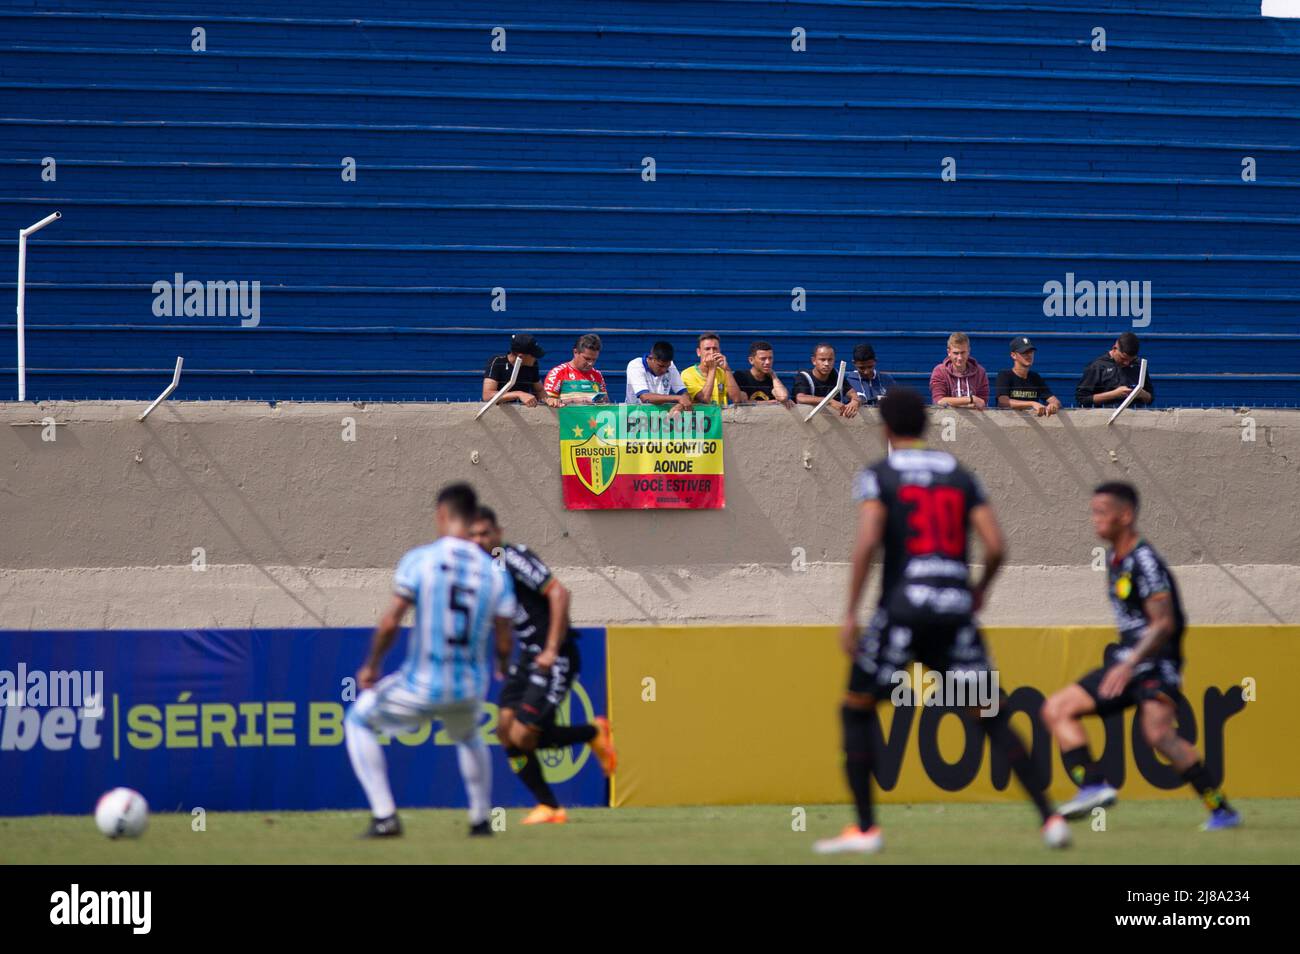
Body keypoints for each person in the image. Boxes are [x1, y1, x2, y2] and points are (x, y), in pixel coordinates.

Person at [814, 388, 1069, 854]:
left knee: (856, 708)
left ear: (885, 428)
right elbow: (995, 546)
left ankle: (867, 830)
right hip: (954, 611)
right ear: (927, 426)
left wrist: (851, 612)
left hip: (903, 608)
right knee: (991, 715)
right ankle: (1051, 818)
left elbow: (869, 540)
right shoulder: (960, 474)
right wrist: (976, 595)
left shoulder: (881, 474)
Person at [1040, 483, 1240, 831]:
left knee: (1160, 736)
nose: (1094, 520)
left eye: (1101, 512)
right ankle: (1092, 784)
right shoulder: (1116, 560)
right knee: (1056, 709)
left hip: (1156, 665)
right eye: (1093, 512)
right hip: (1129, 662)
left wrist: (1130, 664)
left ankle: (1220, 809)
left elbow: (1164, 623)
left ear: (1125, 515)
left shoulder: (1143, 560)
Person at [344, 483, 516, 838]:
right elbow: (503, 634)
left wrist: (372, 665)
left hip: (421, 680)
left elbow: (391, 620)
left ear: (442, 515)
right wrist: (501, 664)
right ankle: (480, 820)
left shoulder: (421, 560)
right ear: (471, 520)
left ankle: (385, 816)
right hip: (469, 684)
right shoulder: (494, 572)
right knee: (468, 735)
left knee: (359, 720)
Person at [469, 507, 617, 825]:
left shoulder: (513, 557)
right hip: (526, 657)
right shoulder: (483, 572)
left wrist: (551, 650)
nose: (480, 540)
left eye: (485, 533)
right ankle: (549, 807)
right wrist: (505, 658)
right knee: (505, 730)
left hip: (555, 656)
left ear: (498, 533)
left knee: (523, 737)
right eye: (474, 534)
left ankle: (593, 732)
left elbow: (560, 593)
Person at [1075, 333, 1153, 408]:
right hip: (1104, 417)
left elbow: (1150, 399)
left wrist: (1142, 394)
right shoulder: (1097, 366)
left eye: (1131, 360)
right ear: (1114, 349)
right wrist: (1114, 394)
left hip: (1135, 417)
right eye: (1123, 358)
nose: (1126, 363)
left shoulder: (1139, 365)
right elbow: (1082, 399)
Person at [995, 337, 1061, 416]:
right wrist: (1032, 403)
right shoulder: (1005, 375)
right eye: (1024, 352)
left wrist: (1053, 405)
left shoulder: (1035, 377)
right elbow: (1003, 402)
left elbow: (1055, 401)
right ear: (1013, 355)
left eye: (1031, 352)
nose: (1029, 355)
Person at [792, 343, 860, 418]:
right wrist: (829, 401)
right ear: (814, 361)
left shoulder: (836, 375)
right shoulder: (804, 377)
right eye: (822, 360)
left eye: (830, 360)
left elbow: (852, 393)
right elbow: (801, 398)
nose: (826, 364)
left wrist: (855, 401)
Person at [625, 341, 692, 414]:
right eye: (660, 366)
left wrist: (680, 405)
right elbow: (645, 397)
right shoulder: (635, 365)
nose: (664, 370)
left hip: (658, 418)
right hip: (634, 416)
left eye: (667, 366)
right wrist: (678, 398)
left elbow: (685, 394)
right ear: (651, 358)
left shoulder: (671, 366)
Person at [543, 334, 609, 407]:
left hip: (591, 418)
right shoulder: (558, 372)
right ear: (575, 352)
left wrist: (603, 401)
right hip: (566, 417)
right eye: (587, 359)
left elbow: (606, 403)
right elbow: (548, 400)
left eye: (594, 360)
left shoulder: (597, 375)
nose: (591, 363)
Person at [482, 334, 546, 407]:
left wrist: (548, 400)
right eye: (533, 355)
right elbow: (487, 395)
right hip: (498, 413)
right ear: (521, 356)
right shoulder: (497, 362)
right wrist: (518, 394)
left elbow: (539, 390)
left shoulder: (532, 364)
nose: (535, 358)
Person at [929, 332, 989, 409]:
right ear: (949, 352)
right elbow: (939, 401)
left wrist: (953, 402)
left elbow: (982, 402)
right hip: (946, 419)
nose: (960, 357)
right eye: (956, 353)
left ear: (968, 351)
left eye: (963, 352)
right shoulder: (940, 371)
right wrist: (971, 399)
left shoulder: (980, 372)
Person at [681, 333, 744, 406]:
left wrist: (727, 369)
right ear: (698, 352)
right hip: (701, 416)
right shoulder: (688, 374)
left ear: (719, 351)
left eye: (715, 348)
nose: (711, 352)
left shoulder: (723, 372)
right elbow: (704, 399)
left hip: (721, 416)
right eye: (707, 349)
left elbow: (737, 399)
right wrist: (712, 369)